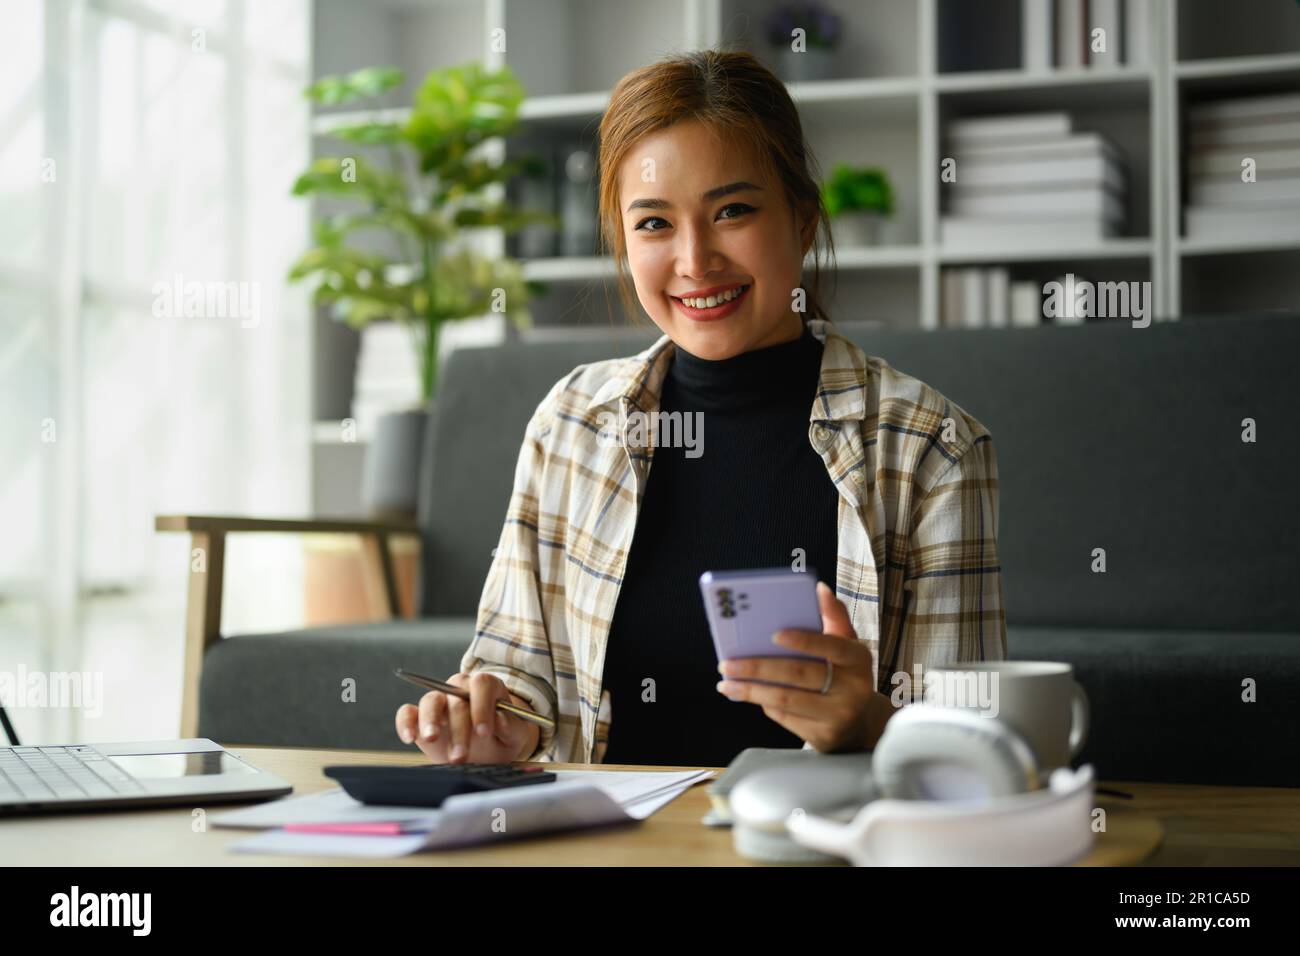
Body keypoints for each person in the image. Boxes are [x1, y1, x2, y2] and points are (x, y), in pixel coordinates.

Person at [395, 49, 1006, 767]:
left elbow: (973, 753)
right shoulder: (570, 423)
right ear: (623, 240)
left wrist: (869, 723)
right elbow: (518, 677)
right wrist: (500, 725)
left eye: (733, 211)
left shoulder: (931, 447)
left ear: (803, 221)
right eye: (654, 224)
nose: (695, 260)